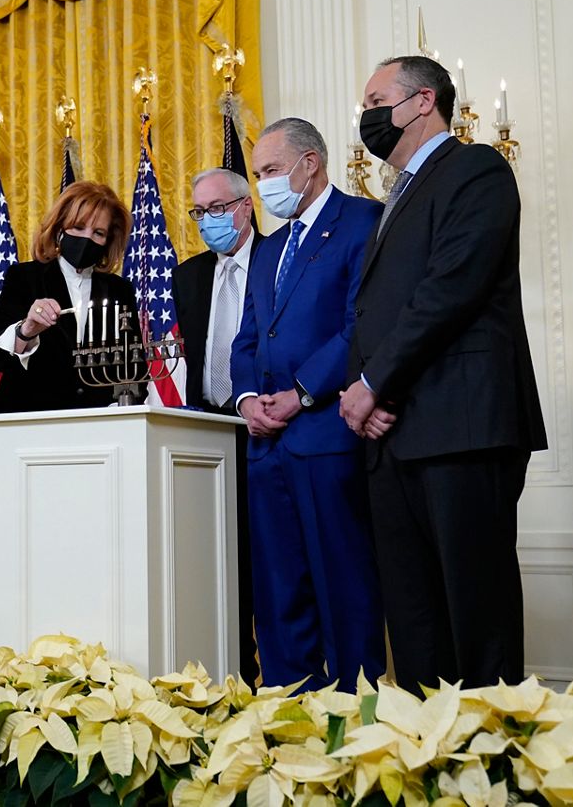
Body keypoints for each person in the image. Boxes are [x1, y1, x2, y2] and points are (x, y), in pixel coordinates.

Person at [340, 55, 546, 692]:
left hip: (461, 428)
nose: (366, 116)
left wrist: (373, 384)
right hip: (392, 436)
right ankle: (427, 766)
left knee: (476, 616)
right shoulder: (394, 195)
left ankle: (490, 773)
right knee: (415, 620)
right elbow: (375, 308)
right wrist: (368, 394)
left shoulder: (477, 169)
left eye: (377, 101)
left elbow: (449, 289)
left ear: (422, 100)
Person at [231, 117, 385, 692]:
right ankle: (289, 712)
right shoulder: (269, 250)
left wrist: (298, 395)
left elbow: (357, 327)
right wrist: (248, 398)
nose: (264, 184)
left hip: (327, 438)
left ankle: (354, 717)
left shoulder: (363, 223)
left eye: (271, 171)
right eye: (259, 173)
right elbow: (248, 337)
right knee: (278, 590)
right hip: (265, 446)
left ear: (310, 163)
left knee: (342, 583)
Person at [0, 180, 140, 511]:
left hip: (96, 445)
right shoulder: (25, 278)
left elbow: (133, 369)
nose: (87, 239)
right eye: (79, 227)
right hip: (28, 438)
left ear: (109, 242)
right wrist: (26, 329)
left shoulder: (119, 291)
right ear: (60, 228)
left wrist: (117, 413)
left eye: (99, 233)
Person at [173, 166, 260, 684]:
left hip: (266, 427)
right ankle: (230, 678)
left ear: (246, 207)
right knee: (214, 566)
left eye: (218, 209)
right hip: (205, 434)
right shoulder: (188, 274)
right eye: (200, 212)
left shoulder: (279, 259)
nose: (208, 221)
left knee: (265, 566)